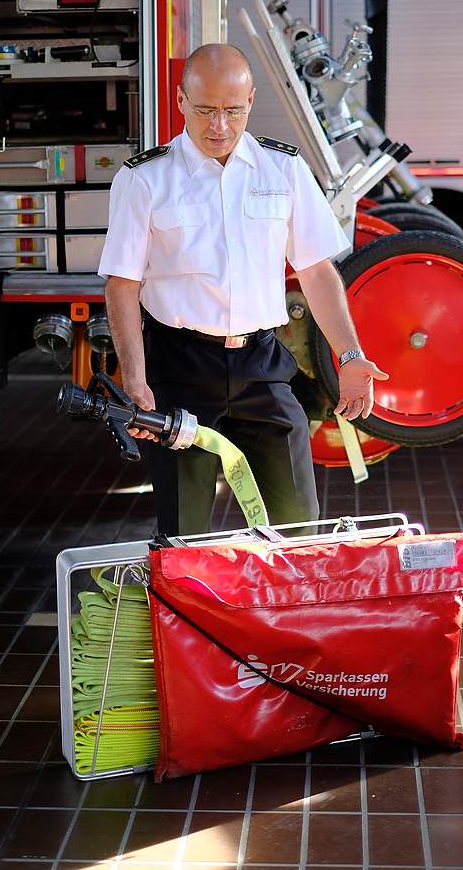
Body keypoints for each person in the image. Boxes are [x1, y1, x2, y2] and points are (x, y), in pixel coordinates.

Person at [98, 43, 388, 535]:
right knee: (185, 537)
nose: (219, 127)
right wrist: (134, 380)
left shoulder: (284, 169)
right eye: (206, 110)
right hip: (180, 370)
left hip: (262, 367)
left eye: (232, 111)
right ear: (181, 101)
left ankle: (285, 611)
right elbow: (122, 286)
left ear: (251, 101)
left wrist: (349, 356)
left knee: (299, 527)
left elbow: (316, 272)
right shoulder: (144, 178)